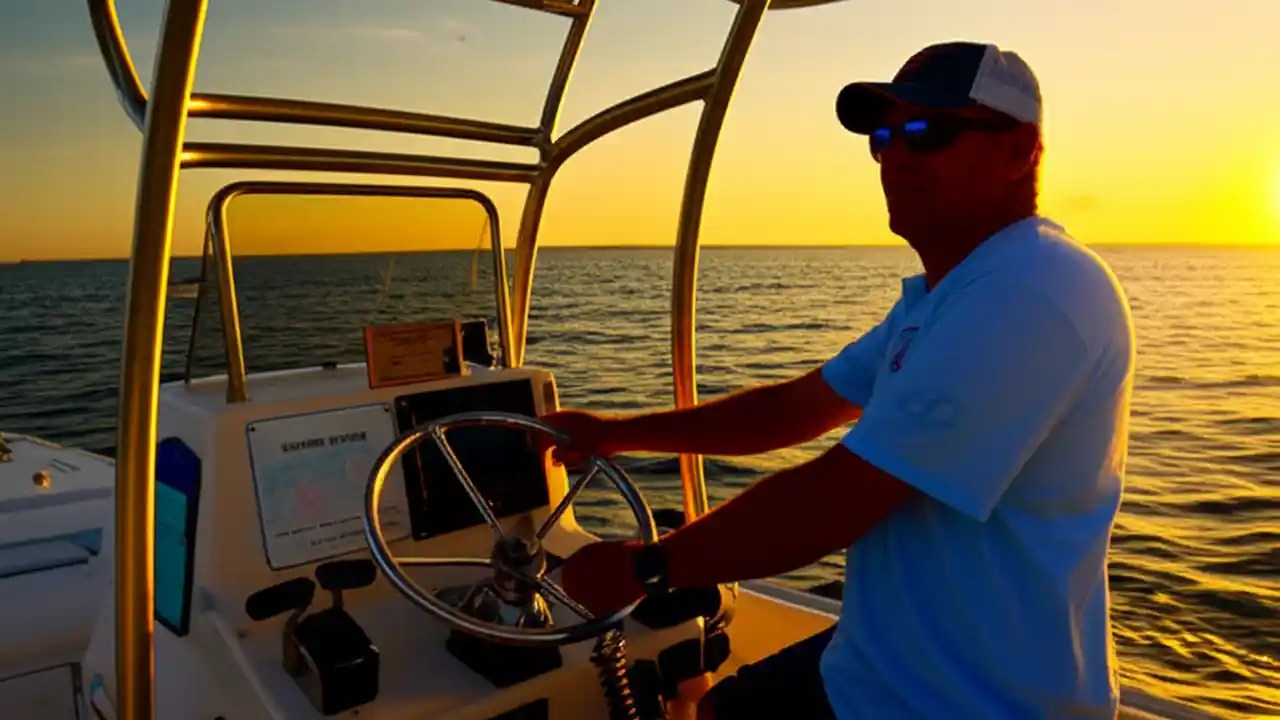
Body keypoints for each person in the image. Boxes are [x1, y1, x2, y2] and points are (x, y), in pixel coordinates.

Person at [545, 41, 1134, 719]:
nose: (896, 157)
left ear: (1019, 151)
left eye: (928, 132)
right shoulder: (950, 297)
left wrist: (646, 570)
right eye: (883, 139)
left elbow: (839, 499)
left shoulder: (1033, 291)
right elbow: (795, 408)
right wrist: (614, 434)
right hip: (893, 663)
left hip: (975, 701)